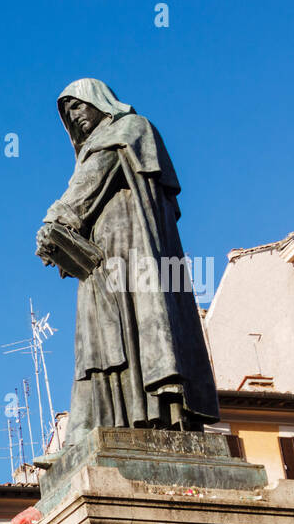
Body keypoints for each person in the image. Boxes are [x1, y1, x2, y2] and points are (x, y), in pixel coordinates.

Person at [36, 78, 219, 446]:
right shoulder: (98, 144)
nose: (73, 116)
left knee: (128, 326)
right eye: (66, 112)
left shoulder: (127, 129)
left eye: (77, 105)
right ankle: (101, 424)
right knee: (101, 337)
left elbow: (88, 185)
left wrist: (54, 221)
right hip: (102, 253)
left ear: (99, 101)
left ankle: (149, 417)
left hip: (131, 246)